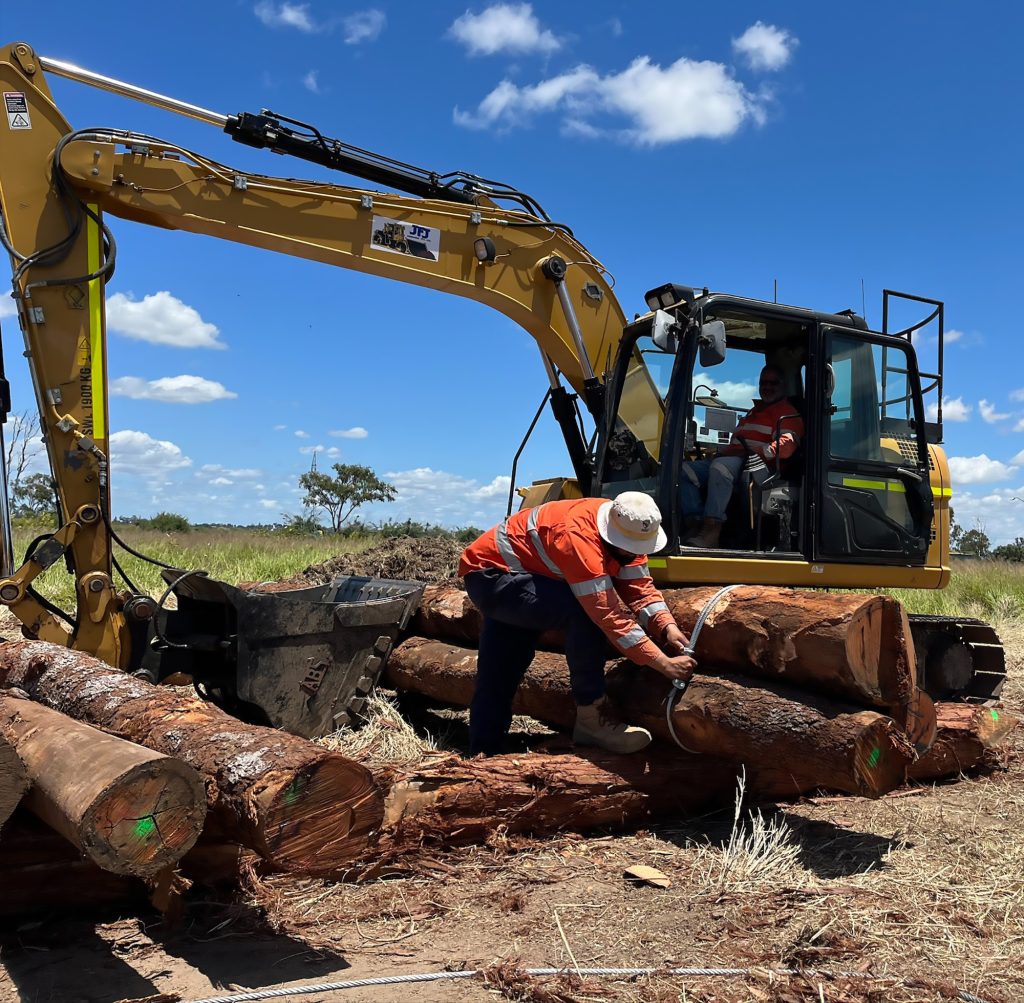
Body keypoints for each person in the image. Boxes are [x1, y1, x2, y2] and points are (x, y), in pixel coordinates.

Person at [459, 492, 697, 756]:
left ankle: (483, 752)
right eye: (627, 548)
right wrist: (662, 663)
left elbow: (639, 589)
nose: (634, 554)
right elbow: (606, 615)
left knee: (502, 667)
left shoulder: (629, 532)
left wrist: (667, 627)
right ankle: (590, 718)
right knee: (582, 613)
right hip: (491, 577)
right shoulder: (579, 539)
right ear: (610, 535)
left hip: (528, 576)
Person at [681, 364, 804, 549]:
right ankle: (695, 522)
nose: (767, 387)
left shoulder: (787, 413)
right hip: (734, 458)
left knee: (720, 468)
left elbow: (787, 446)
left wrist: (761, 451)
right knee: (682, 469)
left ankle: (711, 530)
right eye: (763, 382)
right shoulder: (754, 411)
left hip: (757, 466)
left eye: (773, 383)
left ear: (783, 386)